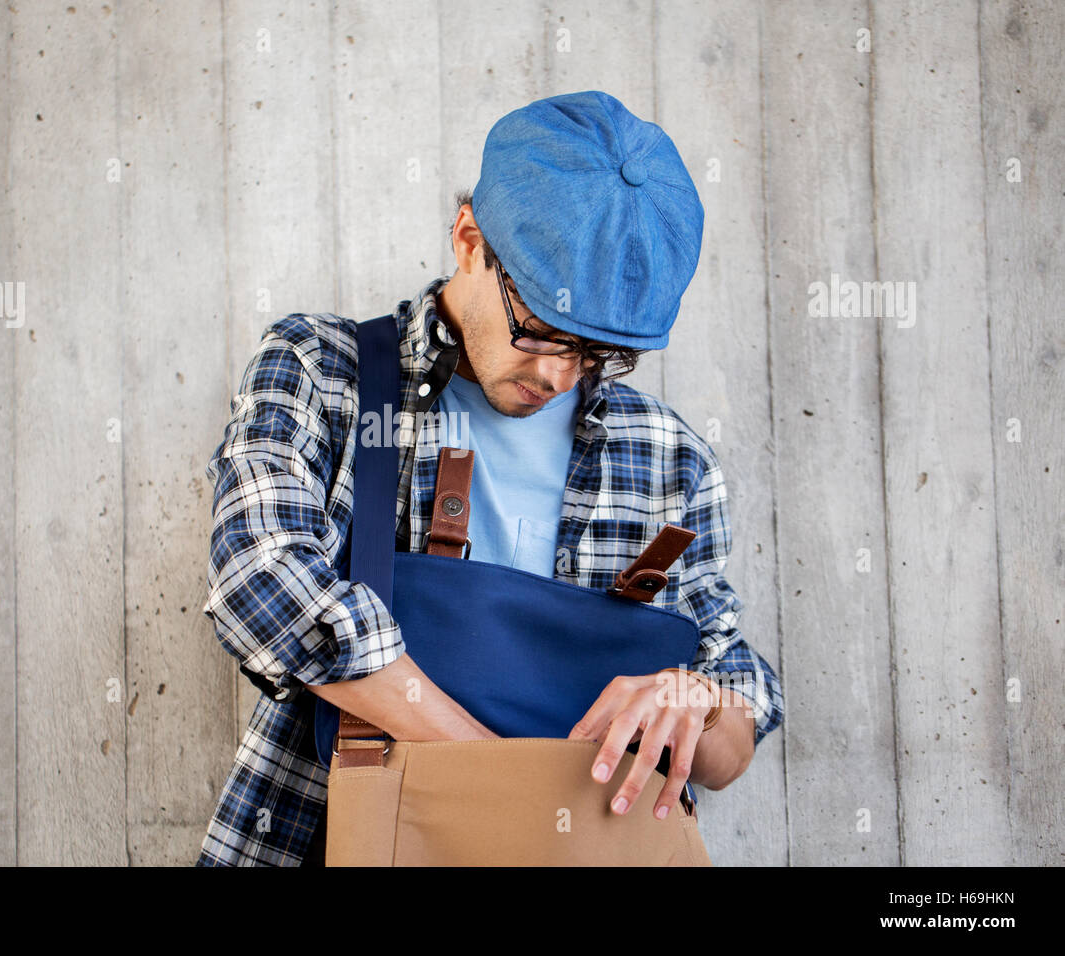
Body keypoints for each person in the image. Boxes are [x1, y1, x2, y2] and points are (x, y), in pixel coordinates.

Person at [195, 91, 784, 866]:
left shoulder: (671, 459)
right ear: (469, 238)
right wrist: (503, 795)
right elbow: (257, 582)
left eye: (595, 353)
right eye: (538, 331)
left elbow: (736, 714)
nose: (555, 374)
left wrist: (699, 702)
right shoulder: (323, 372)